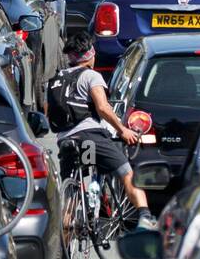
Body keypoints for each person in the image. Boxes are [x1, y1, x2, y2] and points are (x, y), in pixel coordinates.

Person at [56, 32, 157, 231]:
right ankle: (146, 217)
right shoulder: (91, 76)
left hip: (66, 140)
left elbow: (49, 111)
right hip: (89, 138)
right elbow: (102, 107)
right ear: (91, 54)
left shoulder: (57, 78)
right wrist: (122, 130)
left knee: (72, 190)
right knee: (126, 172)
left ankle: (65, 248)